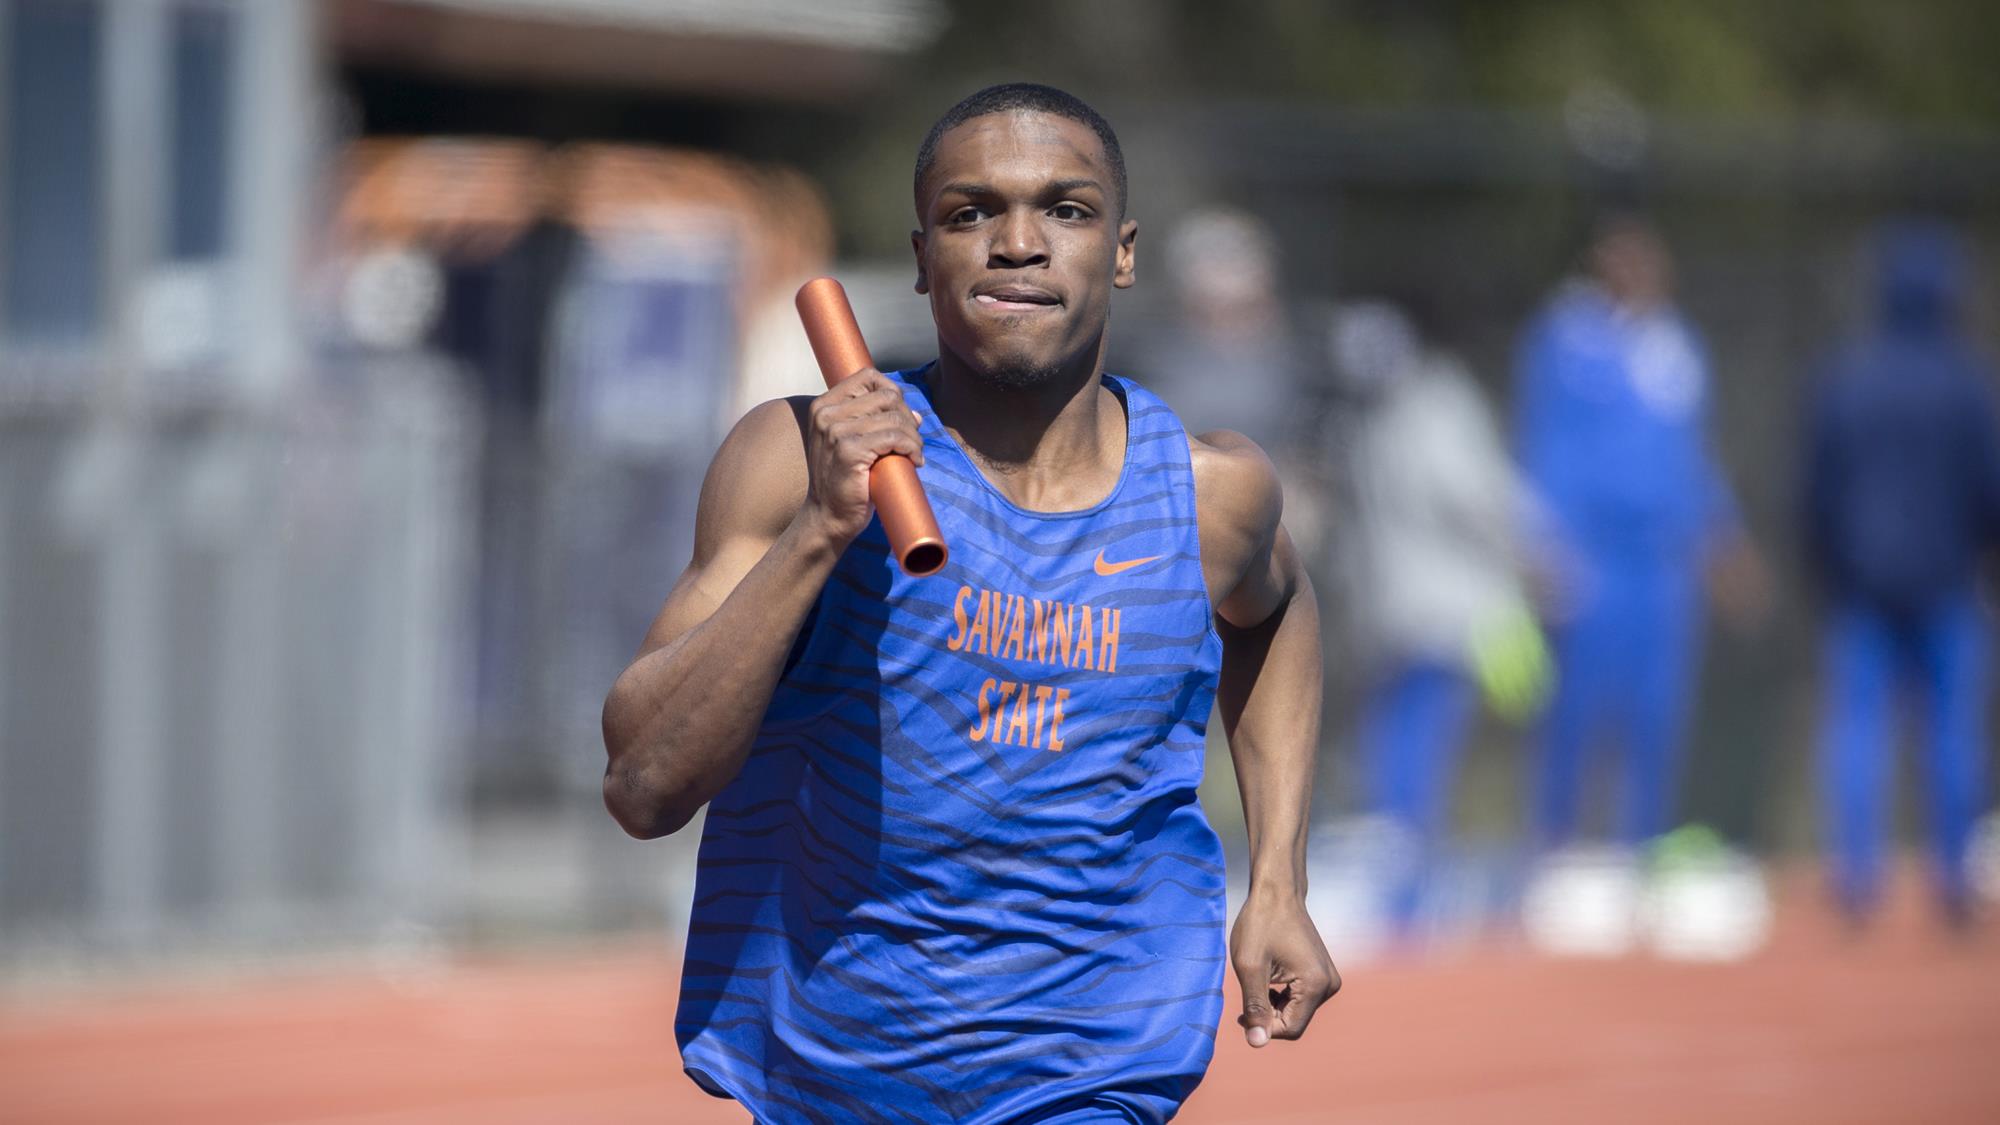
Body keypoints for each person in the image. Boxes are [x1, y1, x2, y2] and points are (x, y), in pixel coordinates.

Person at [600, 84, 1337, 1123]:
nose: (1017, 243)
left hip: (1094, 1069)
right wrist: (820, 531)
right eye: (971, 213)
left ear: (1120, 253)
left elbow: (1277, 612)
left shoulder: (1211, 496)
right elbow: (642, 784)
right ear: (920, 257)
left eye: (1064, 210)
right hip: (831, 1073)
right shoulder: (794, 460)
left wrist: (1276, 882)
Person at [1514, 214, 1766, 850]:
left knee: (1658, 715)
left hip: (1663, 564)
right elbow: (1549, 449)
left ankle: (1642, 848)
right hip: (1594, 557)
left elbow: (1691, 460)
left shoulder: (1678, 348)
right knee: (1576, 712)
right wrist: (1547, 544)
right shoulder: (1568, 342)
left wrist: (1725, 542)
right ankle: (1558, 848)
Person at [1803, 220, 2000, 928]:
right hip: (1949, 582)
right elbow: (1990, 486)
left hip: (1861, 584)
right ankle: (1954, 883)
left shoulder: (1847, 378)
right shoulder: (1966, 381)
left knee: (1858, 733)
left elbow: (1818, 488)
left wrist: (1824, 564)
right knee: (1952, 736)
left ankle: (1857, 881)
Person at [1335, 301, 1551, 935]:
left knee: (1417, 745)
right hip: (1448, 616)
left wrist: (1531, 547)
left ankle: (1446, 877)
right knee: (1423, 746)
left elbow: (1469, 496)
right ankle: (1422, 883)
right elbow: (1477, 495)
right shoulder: (1411, 412)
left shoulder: (1395, 416)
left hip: (1429, 614)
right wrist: (1538, 548)